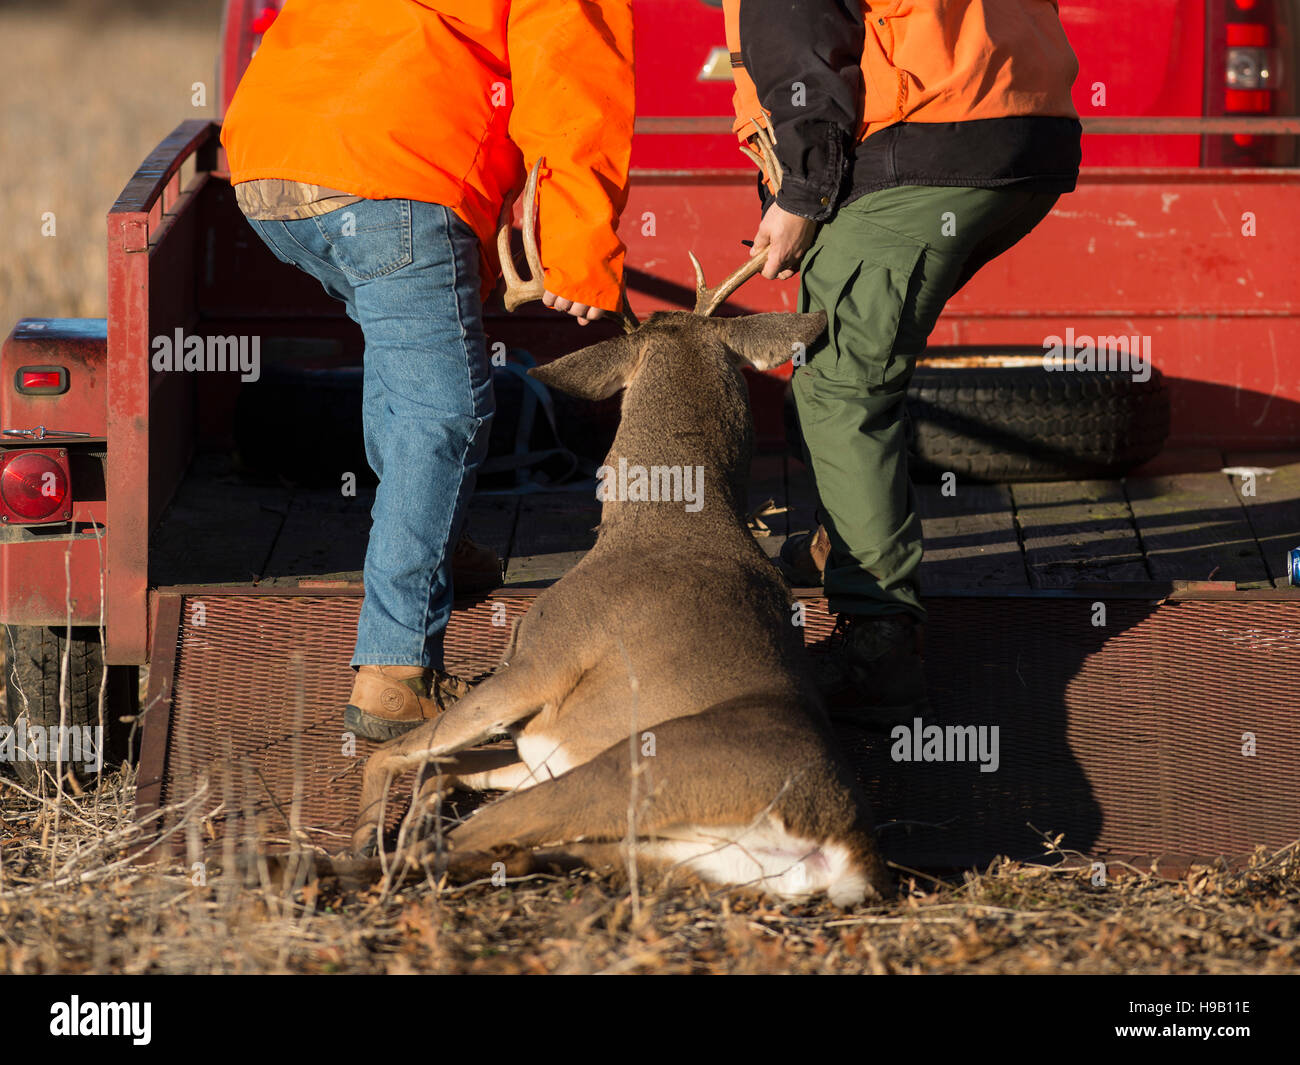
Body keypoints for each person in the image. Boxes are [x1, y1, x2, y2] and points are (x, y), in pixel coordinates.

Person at [220, 0, 635, 741]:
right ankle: (397, 669)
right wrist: (577, 250)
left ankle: (430, 541)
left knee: (406, 359)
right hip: (392, 170)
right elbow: (568, 78)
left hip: (270, 169)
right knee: (444, 411)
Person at [725, 0, 1082, 713]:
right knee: (849, 363)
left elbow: (800, 35)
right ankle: (839, 542)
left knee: (841, 389)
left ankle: (876, 644)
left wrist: (802, 188)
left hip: (926, 131)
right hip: (1023, 124)